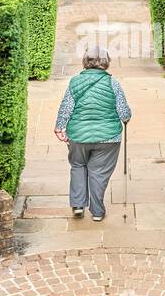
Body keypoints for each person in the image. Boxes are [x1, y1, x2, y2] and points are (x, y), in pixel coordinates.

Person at [54, 48, 132, 221]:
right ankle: (97, 212)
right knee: (99, 173)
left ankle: (78, 205)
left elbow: (65, 108)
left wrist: (59, 128)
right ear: (106, 62)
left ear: (85, 62)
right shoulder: (114, 83)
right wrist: (127, 115)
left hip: (78, 136)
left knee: (78, 165)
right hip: (108, 138)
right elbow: (124, 114)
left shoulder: (75, 82)